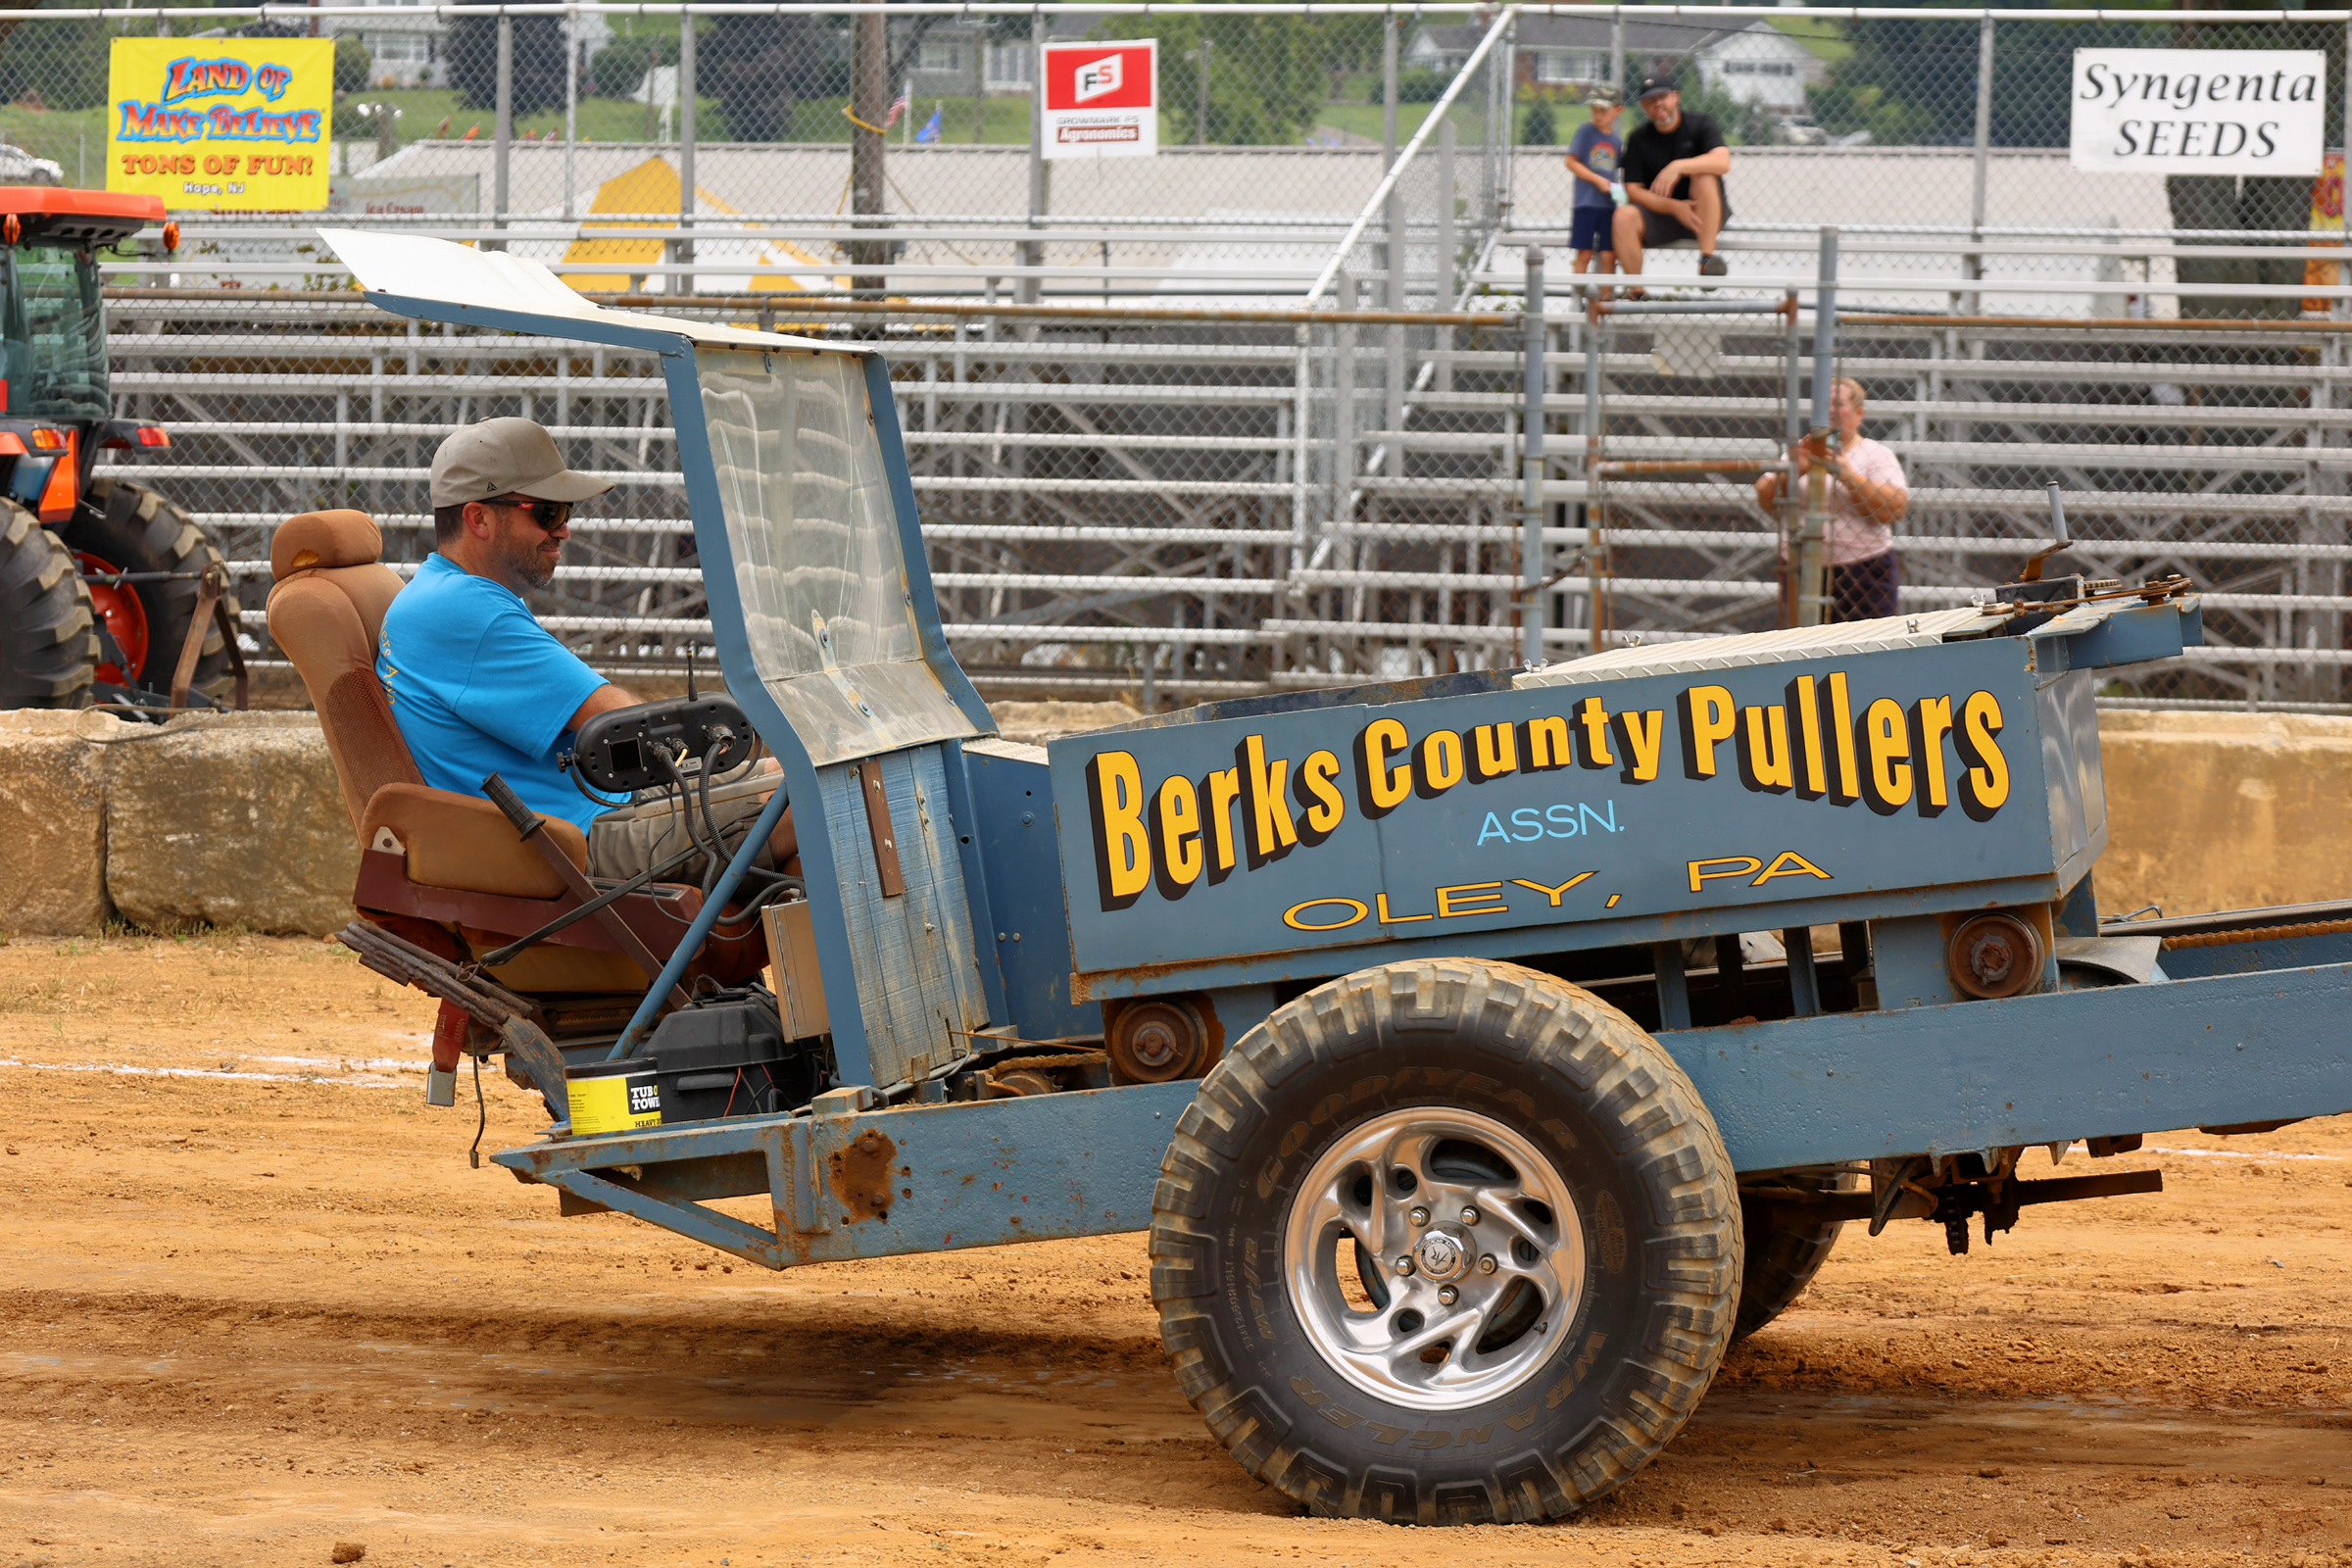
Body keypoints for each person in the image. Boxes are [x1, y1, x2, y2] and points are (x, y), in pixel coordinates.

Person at [377, 416, 799, 883]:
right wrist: (748, 748)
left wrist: (756, 769)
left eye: (566, 511)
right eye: (547, 513)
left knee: (797, 781)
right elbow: (630, 728)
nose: (564, 531)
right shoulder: (463, 609)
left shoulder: (438, 596)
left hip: (586, 814)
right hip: (573, 842)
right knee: (819, 799)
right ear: (479, 518)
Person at [1754, 377, 1910, 622]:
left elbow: (1895, 509)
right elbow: (1764, 497)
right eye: (1823, 404)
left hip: (1863, 570)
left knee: (1866, 645)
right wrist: (1793, 471)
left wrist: (1849, 476)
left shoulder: (1875, 454)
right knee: (1804, 643)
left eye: (1838, 404)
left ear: (1859, 414)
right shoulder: (1800, 450)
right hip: (1801, 567)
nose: (1829, 411)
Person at [1610, 76, 1733, 283]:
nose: (1657, 104)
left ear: (1676, 97)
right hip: (1661, 214)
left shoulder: (1701, 123)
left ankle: (1707, 261)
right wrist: (1675, 207)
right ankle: (1637, 292)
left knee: (1703, 176)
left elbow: (1723, 162)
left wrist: (1678, 166)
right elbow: (1633, 190)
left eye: (1662, 97)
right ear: (1643, 106)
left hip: (1703, 213)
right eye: (1650, 100)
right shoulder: (1638, 138)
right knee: (1623, 216)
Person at [1563, 89, 1624, 284]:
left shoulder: (1616, 141)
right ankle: (1577, 298)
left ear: (1618, 111)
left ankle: (1605, 301)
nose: (1598, 116)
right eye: (1594, 110)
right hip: (1586, 204)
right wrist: (1596, 180)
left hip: (1608, 206)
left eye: (1603, 111)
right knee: (1585, 253)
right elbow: (1571, 162)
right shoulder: (1586, 132)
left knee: (1608, 255)